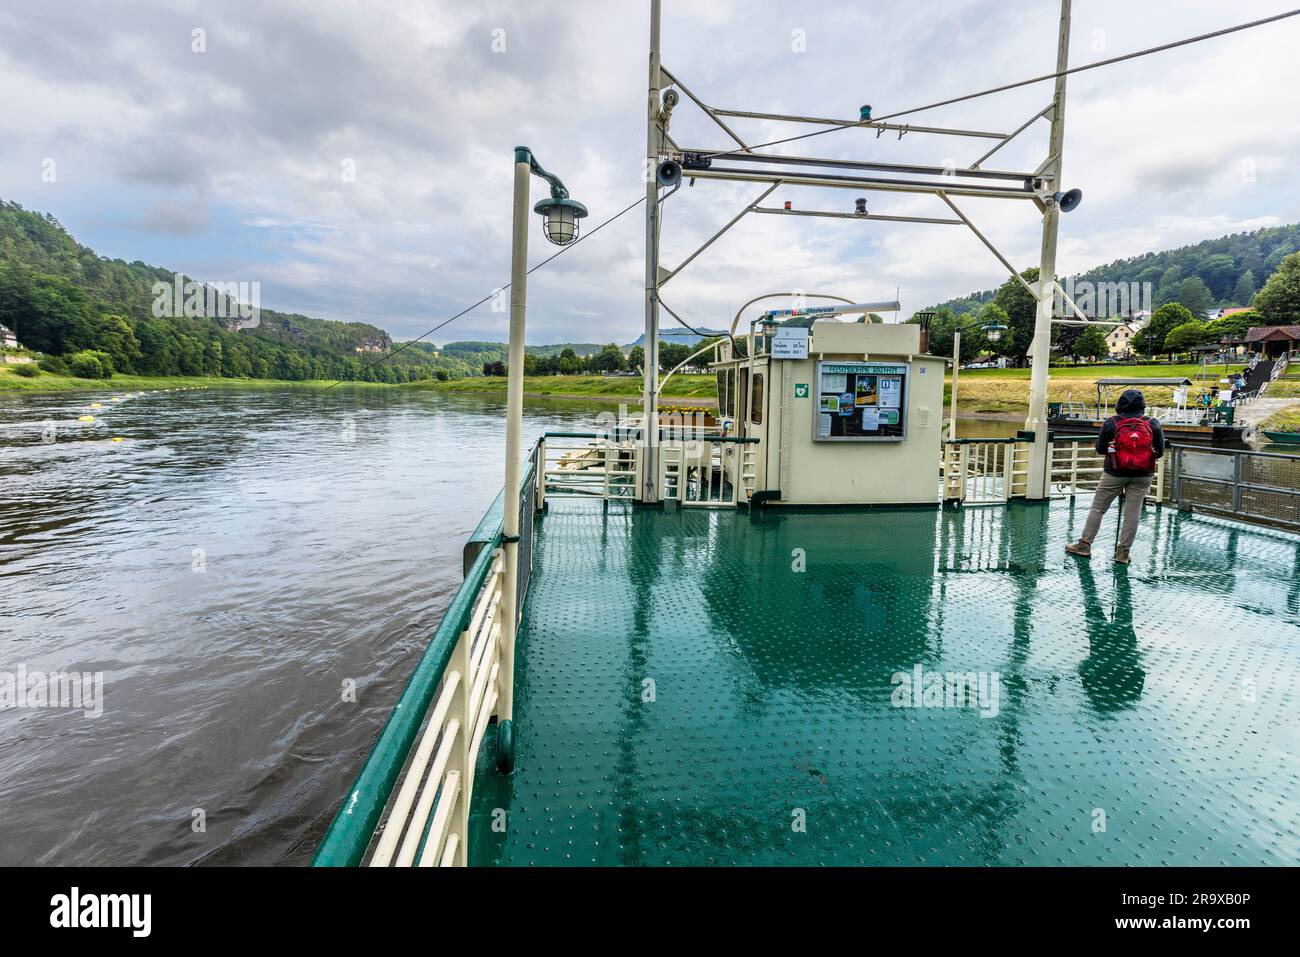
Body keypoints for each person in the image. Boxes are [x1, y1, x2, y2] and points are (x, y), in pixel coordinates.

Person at [1065, 388, 1165, 565]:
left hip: (1114, 472)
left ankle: (1084, 545)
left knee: (1098, 509)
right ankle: (1123, 554)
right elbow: (1160, 451)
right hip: (1143, 474)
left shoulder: (1112, 422)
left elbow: (1100, 449)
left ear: (1120, 404)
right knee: (1132, 513)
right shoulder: (1152, 423)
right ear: (1142, 405)